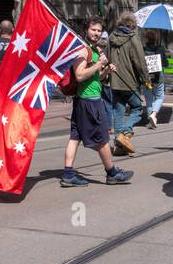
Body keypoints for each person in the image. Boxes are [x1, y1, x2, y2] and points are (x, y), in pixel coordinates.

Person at [61, 18, 133, 187]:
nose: (96, 33)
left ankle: (68, 174)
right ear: (86, 29)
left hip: (84, 100)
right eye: (93, 30)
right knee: (102, 139)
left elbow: (94, 78)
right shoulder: (83, 50)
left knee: (75, 137)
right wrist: (99, 64)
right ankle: (112, 173)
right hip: (89, 103)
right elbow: (79, 75)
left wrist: (105, 71)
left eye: (99, 31)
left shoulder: (92, 50)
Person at [106, 11, 150, 155]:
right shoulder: (133, 38)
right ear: (133, 25)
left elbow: (106, 58)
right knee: (138, 109)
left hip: (114, 81)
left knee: (118, 112)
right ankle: (125, 133)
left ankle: (119, 147)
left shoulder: (111, 37)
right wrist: (146, 79)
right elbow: (140, 62)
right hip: (129, 81)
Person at [141, 30, 165, 130]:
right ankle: (154, 114)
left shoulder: (142, 49)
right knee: (159, 97)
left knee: (149, 99)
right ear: (156, 39)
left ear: (146, 39)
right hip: (158, 78)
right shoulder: (160, 49)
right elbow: (166, 63)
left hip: (146, 78)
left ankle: (150, 120)